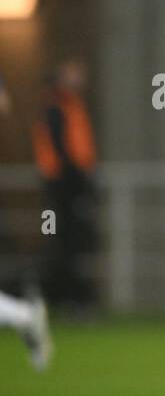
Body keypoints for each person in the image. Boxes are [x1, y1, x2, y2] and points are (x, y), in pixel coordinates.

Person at [32, 58, 99, 309]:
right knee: (59, 241)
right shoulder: (56, 107)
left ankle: (67, 298)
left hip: (69, 185)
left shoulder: (71, 105)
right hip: (60, 188)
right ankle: (59, 298)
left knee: (72, 242)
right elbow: (62, 150)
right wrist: (78, 183)